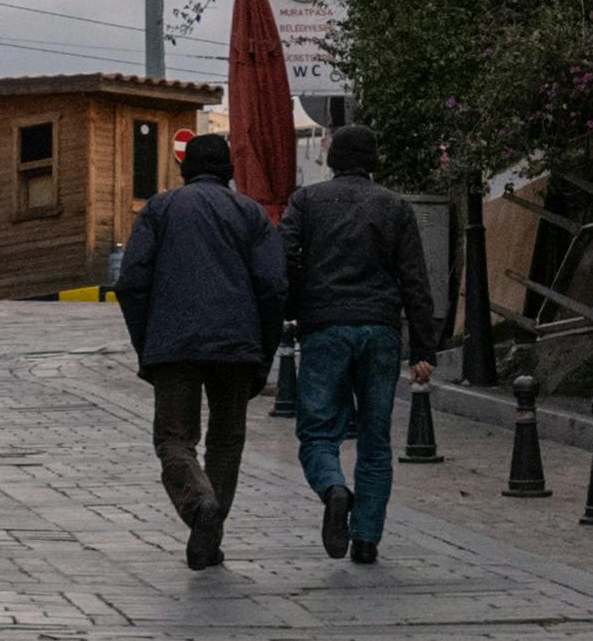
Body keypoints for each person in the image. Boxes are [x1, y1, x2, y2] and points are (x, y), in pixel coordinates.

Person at [113, 132, 288, 568]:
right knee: (227, 441)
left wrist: (146, 343)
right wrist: (262, 354)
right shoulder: (249, 213)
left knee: (174, 440)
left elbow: (131, 282)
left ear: (184, 170)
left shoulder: (160, 209)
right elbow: (273, 286)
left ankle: (199, 507)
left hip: (173, 347)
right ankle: (211, 529)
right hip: (236, 347)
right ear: (229, 171)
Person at [282, 123, 438, 566]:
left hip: (325, 328)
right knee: (375, 438)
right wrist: (424, 349)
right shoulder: (394, 206)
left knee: (317, 431)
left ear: (330, 159)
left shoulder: (306, 202)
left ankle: (333, 489)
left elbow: (285, 254)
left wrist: (296, 305)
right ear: (373, 162)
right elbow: (415, 281)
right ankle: (367, 538)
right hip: (381, 330)